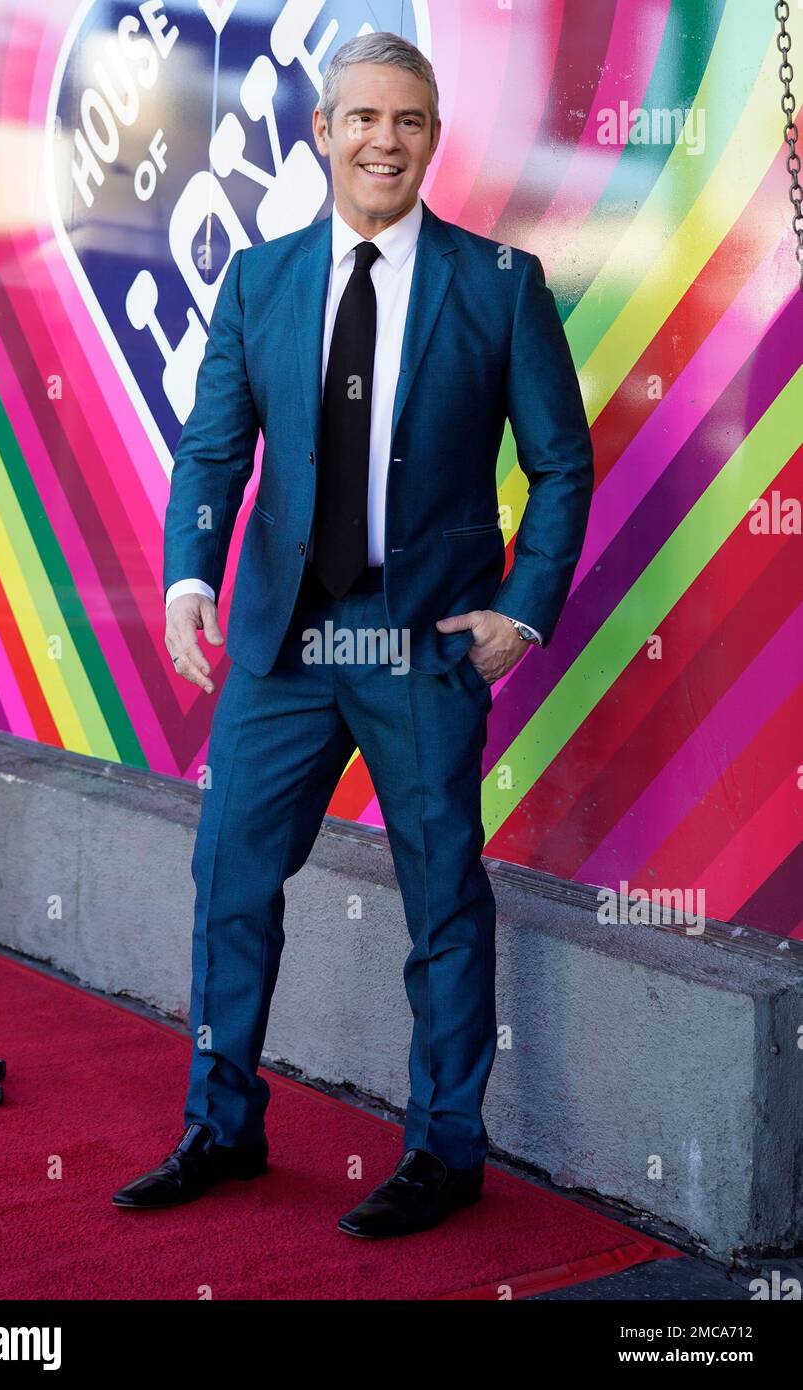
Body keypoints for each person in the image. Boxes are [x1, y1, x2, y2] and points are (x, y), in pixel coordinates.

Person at [113, 31, 593, 1239]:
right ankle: (220, 1126)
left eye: (410, 121)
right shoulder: (259, 281)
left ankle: (445, 1148)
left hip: (419, 637)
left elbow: (559, 462)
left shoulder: (498, 283)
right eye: (363, 117)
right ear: (320, 130)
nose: (385, 139)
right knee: (227, 878)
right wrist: (186, 577)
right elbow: (215, 449)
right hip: (286, 639)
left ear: (431, 140)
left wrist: (521, 608)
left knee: (441, 897)